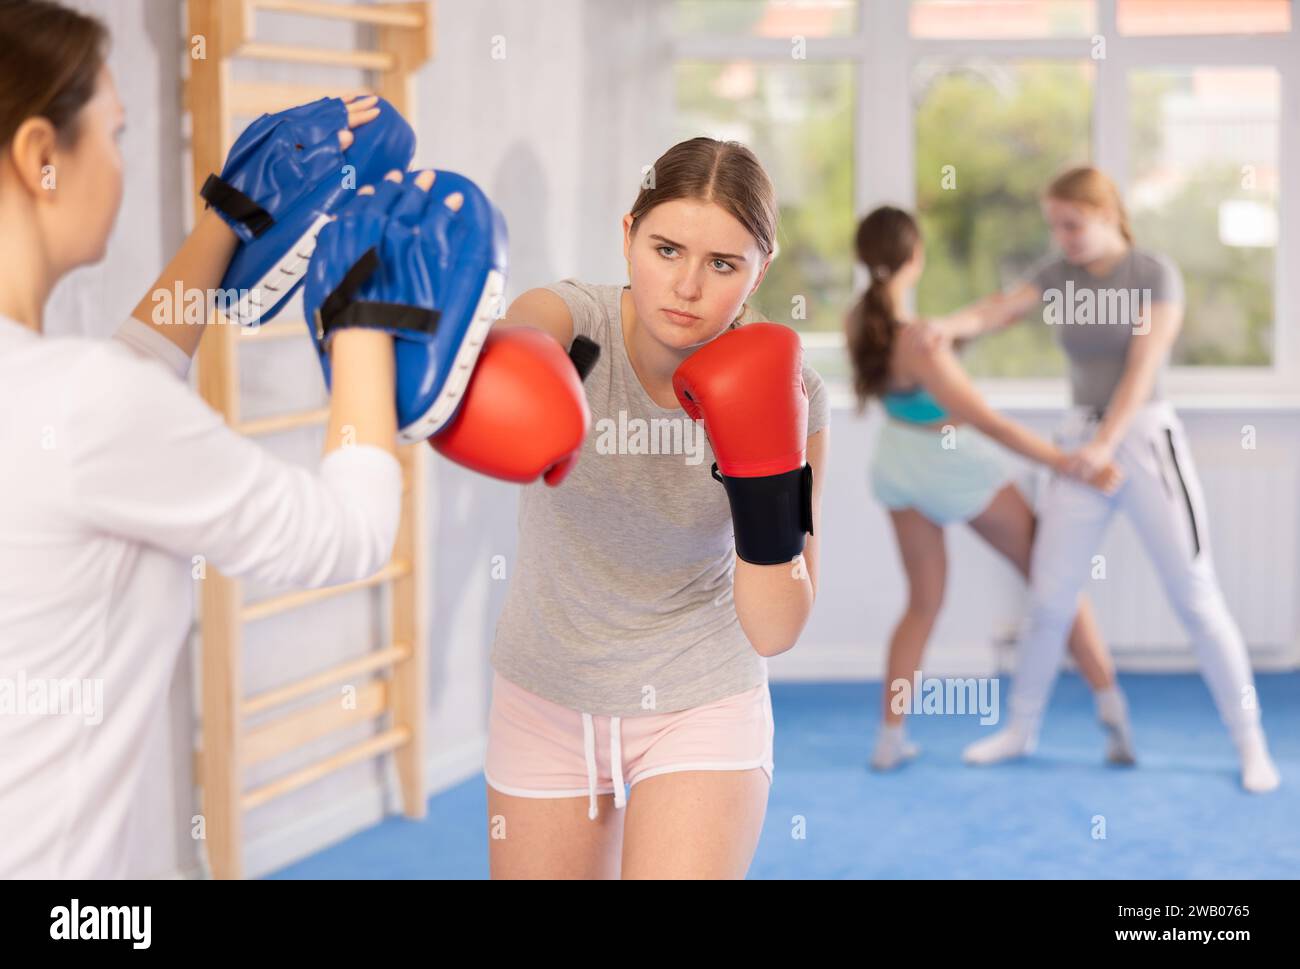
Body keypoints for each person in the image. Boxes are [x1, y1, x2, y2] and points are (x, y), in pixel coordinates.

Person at [482, 137, 830, 879]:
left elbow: (776, 626)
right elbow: (520, 334)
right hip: (546, 694)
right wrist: (496, 367)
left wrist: (762, 470)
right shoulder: (573, 325)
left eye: (723, 264)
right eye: (666, 248)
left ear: (759, 270)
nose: (686, 286)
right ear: (628, 233)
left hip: (699, 697)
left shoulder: (795, 393)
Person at [934, 167, 1279, 793]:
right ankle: (1021, 730)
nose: (1061, 236)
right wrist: (943, 329)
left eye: (1072, 224)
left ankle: (1252, 745)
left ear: (1107, 213)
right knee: (1048, 597)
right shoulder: (1058, 275)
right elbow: (998, 309)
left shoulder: (1153, 273)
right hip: (1080, 447)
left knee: (1196, 599)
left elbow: (1143, 366)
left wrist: (1103, 444)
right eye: (1054, 225)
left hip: (1142, 441)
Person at [846, 205, 1133, 770]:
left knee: (922, 603)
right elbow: (990, 422)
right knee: (1054, 579)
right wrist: (1067, 461)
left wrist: (953, 333)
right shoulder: (919, 343)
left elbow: (923, 362)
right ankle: (1114, 714)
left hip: (898, 463)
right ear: (917, 256)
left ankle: (888, 740)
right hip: (955, 466)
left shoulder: (862, 321)